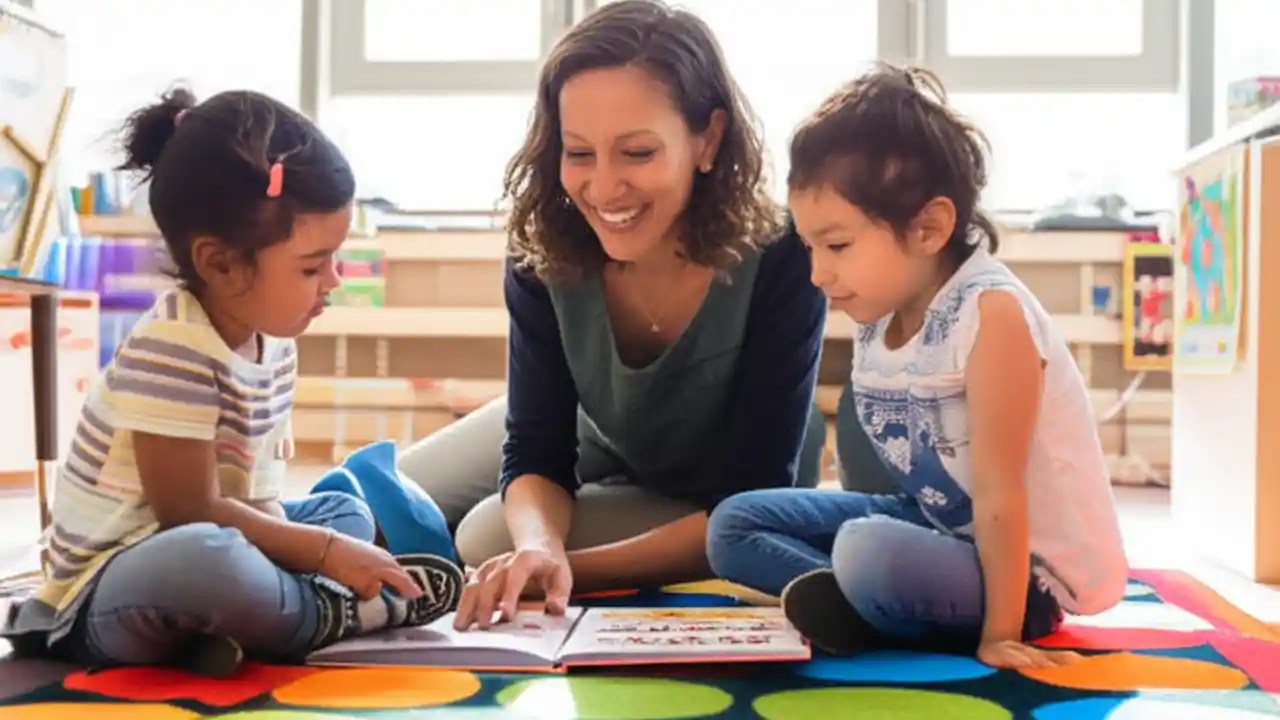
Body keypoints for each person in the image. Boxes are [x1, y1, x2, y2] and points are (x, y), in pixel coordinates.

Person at [395, 0, 828, 630]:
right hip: (598, 427)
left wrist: (559, 568)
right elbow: (537, 446)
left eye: (637, 153)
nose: (603, 188)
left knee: (487, 538)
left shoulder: (784, 251)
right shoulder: (539, 251)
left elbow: (751, 495)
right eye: (579, 153)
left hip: (722, 492)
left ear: (707, 138)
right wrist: (540, 543)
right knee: (399, 492)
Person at [1, 88, 463, 675]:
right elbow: (190, 512)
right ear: (218, 263)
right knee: (211, 562)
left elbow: (255, 496)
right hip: (106, 590)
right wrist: (322, 556)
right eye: (311, 265)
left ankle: (257, 624)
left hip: (202, 544)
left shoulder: (274, 342)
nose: (334, 280)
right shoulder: (173, 347)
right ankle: (327, 615)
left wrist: (324, 543)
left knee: (339, 510)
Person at [705, 64, 1129, 669]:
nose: (817, 273)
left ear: (929, 228)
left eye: (838, 246)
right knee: (732, 523)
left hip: (1022, 574)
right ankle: (860, 603)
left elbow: (1001, 492)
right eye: (808, 246)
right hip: (934, 525)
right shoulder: (883, 309)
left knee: (867, 549)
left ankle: (881, 598)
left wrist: (1001, 635)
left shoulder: (991, 315)